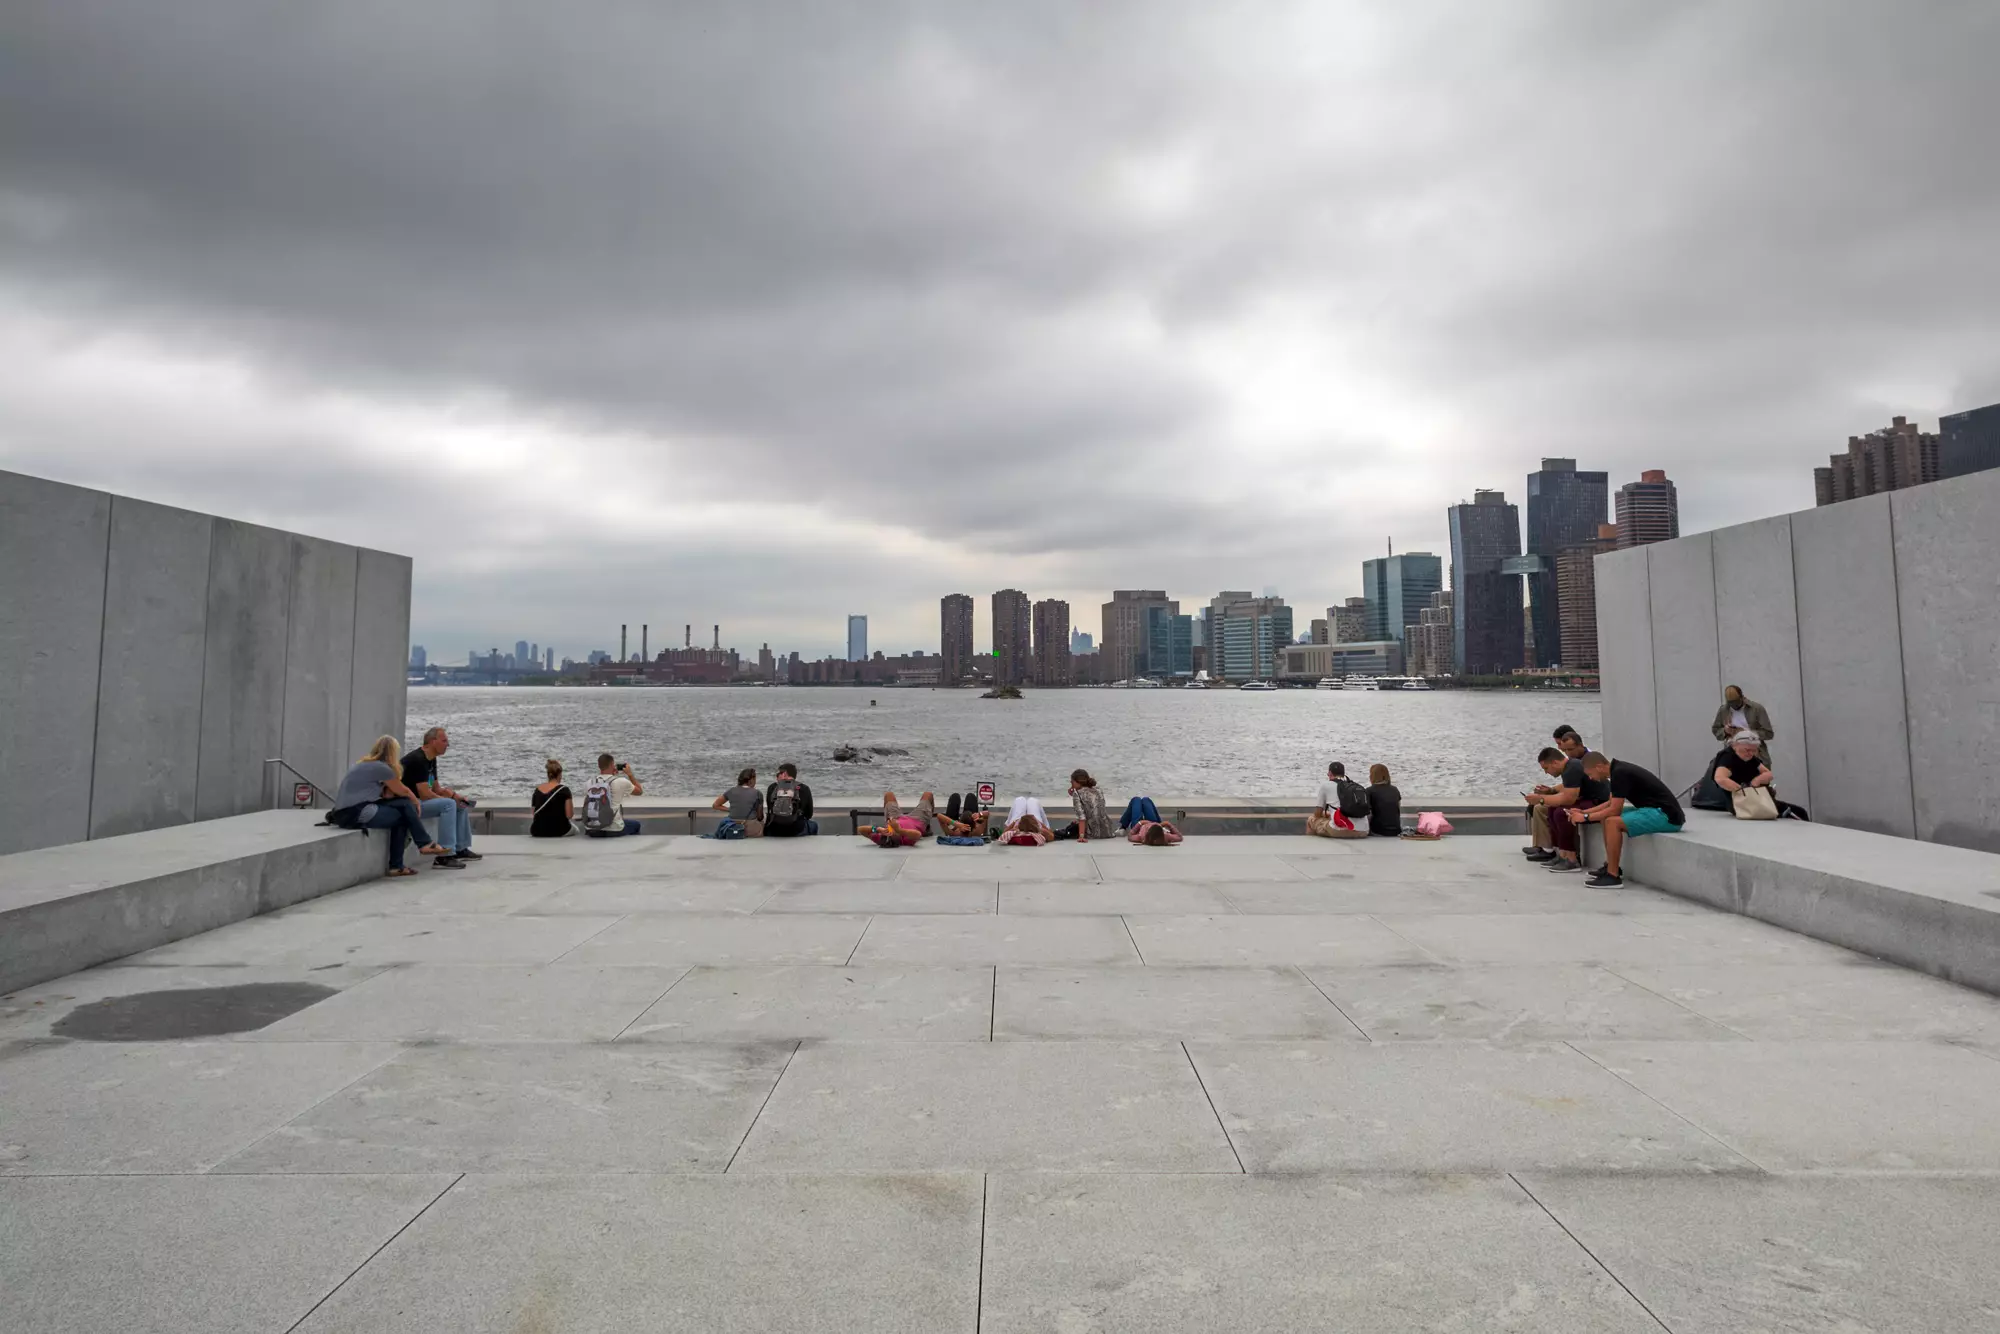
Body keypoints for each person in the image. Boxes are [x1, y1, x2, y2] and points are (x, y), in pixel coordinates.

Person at [327, 735, 451, 876]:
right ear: (393, 752)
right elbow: (403, 791)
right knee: (405, 812)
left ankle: (401, 863)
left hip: (343, 813)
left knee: (404, 808)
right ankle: (420, 846)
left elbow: (387, 795)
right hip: (356, 813)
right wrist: (416, 802)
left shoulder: (363, 764)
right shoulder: (382, 768)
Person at [1568, 752, 1684, 888]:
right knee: (1606, 818)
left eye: (1590, 773)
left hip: (1667, 816)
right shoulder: (1617, 770)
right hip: (1652, 810)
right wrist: (1583, 812)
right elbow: (1610, 803)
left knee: (1612, 821)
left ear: (1599, 767)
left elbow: (1614, 810)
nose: (1590, 778)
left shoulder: (1620, 773)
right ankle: (1611, 867)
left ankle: (1613, 876)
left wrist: (1585, 818)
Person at [1523, 731, 1605, 873]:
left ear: (1555, 762)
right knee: (1552, 809)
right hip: (1589, 799)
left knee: (1562, 813)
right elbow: (1567, 794)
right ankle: (1562, 854)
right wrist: (1548, 795)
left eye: (1546, 768)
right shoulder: (1570, 767)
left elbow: (1569, 798)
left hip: (1599, 802)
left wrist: (1540, 799)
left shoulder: (1572, 768)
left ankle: (1572, 859)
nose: (1546, 773)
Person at [402, 726, 477, 867]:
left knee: (459, 804)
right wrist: (449, 801)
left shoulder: (431, 759)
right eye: (444, 741)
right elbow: (424, 794)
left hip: (419, 802)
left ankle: (460, 848)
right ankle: (444, 856)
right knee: (449, 805)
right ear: (432, 741)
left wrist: (455, 796)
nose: (447, 745)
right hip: (410, 805)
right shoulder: (418, 760)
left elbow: (436, 788)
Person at [581, 753, 643, 836]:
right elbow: (639, 791)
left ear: (599, 766)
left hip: (592, 829)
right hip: (614, 828)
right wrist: (630, 774)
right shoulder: (621, 781)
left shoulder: (589, 783)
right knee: (636, 825)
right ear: (612, 765)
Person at [1711, 685, 1774, 762]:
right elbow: (1716, 730)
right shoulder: (1723, 710)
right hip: (1733, 757)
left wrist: (1746, 733)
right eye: (1731, 704)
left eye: (1736, 702)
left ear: (1742, 697)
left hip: (1756, 755)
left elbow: (1769, 733)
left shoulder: (1756, 709)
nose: (1734, 706)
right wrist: (1725, 731)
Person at [1307, 762, 1369, 839]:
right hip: (1363, 831)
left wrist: (1324, 814)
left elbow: (1317, 814)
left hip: (1340, 830)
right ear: (1343, 774)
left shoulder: (1326, 785)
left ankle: (1312, 845)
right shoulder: (1354, 786)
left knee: (1312, 819)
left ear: (1330, 773)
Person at [859, 791, 937, 845]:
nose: (889, 828)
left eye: (889, 829)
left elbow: (860, 829)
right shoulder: (905, 839)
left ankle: (889, 819)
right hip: (917, 820)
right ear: (895, 836)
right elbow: (918, 834)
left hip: (896, 817)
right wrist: (899, 830)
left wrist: (878, 829)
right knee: (928, 795)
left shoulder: (882, 837)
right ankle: (927, 828)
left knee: (888, 795)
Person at [764, 762, 817, 837]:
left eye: (780, 772)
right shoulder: (804, 788)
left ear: (785, 773)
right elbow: (809, 814)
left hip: (774, 829)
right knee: (814, 825)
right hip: (796, 830)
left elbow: (770, 808)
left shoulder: (772, 787)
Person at [1064, 770, 1116, 842]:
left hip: (1092, 833)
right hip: (1107, 831)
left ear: (1077, 782)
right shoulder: (1098, 790)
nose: (1071, 784)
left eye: (1072, 782)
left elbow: (1082, 817)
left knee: (1070, 828)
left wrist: (1081, 836)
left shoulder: (1077, 794)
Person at [529, 759, 574, 838]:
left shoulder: (537, 790)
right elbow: (569, 815)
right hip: (559, 830)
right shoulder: (564, 790)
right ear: (559, 774)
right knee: (576, 830)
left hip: (537, 830)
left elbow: (534, 813)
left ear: (548, 775)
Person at [712, 767, 764, 835]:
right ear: (751, 779)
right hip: (751, 829)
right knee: (761, 823)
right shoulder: (758, 793)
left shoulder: (731, 791)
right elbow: (760, 817)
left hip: (732, 827)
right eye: (755, 779)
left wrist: (731, 810)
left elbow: (715, 805)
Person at [1365, 764, 1402, 837]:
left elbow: (1369, 814)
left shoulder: (1369, 791)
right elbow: (1397, 809)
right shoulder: (1395, 790)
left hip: (1378, 830)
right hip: (1396, 830)